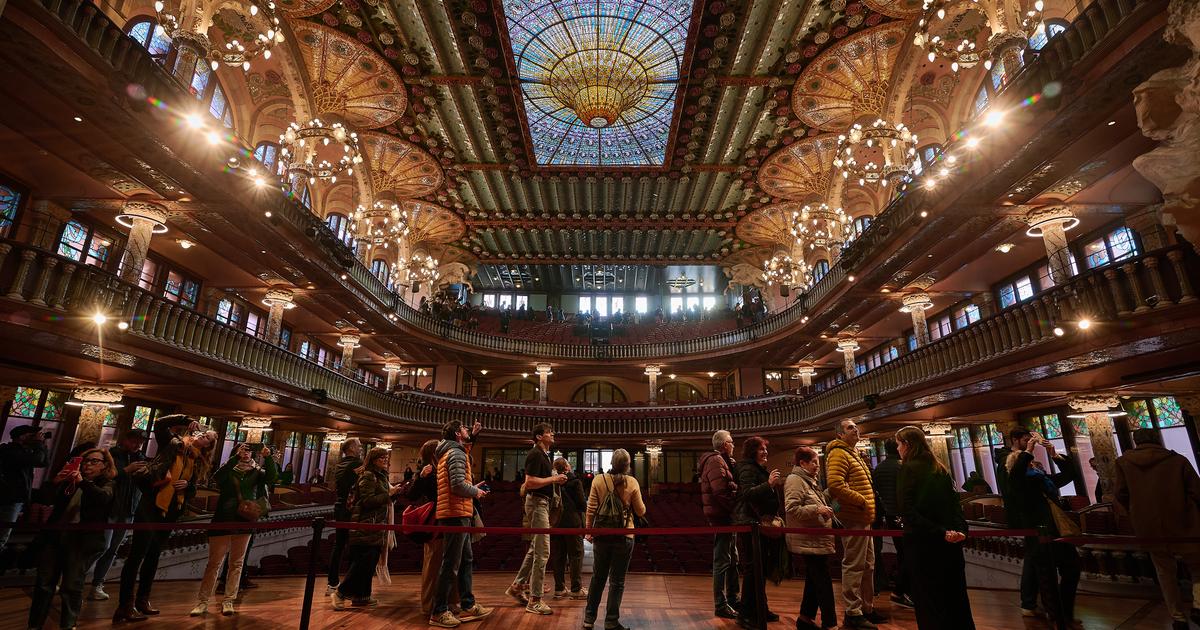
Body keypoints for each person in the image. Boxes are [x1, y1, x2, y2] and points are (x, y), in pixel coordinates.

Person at [115, 415, 216, 623]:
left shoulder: (197, 462)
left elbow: (194, 488)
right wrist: (185, 419)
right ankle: (125, 605)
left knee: (153, 556)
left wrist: (188, 486)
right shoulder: (172, 443)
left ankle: (143, 599)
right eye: (203, 432)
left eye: (208, 437)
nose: (203, 435)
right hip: (152, 502)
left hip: (172, 509)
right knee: (137, 555)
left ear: (208, 446)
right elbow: (159, 423)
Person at [1114, 428, 1200, 630]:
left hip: (1149, 525)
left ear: (1136, 441)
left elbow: (1120, 493)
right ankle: (1198, 605)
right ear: (1157, 439)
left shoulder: (1124, 463)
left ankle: (1177, 617)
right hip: (1184, 521)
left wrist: (1136, 512)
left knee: (1165, 573)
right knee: (1197, 567)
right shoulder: (1177, 460)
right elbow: (1196, 490)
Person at [894, 426, 974, 630]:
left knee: (929, 601)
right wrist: (959, 530)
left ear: (907, 445)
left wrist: (940, 531)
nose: (897, 449)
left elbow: (907, 509)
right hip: (949, 543)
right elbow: (954, 505)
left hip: (924, 543)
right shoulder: (940, 467)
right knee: (956, 599)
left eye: (898, 444)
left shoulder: (908, 468)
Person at [27, 447, 115, 630]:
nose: (88, 464)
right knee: (44, 584)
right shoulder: (69, 482)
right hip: (55, 537)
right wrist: (55, 482)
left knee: (71, 586)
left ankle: (68, 625)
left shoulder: (106, 483)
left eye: (94, 461)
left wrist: (83, 483)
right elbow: (44, 501)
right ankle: (34, 626)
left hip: (81, 541)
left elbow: (103, 499)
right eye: (85, 461)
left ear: (104, 465)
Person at [1004, 428, 1081, 627]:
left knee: (1072, 569)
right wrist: (1027, 451)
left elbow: (1070, 474)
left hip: (1057, 531)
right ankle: (1057, 617)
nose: (1034, 464)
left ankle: (1065, 613)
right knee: (1046, 577)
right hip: (1039, 532)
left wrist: (1054, 454)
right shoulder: (1020, 482)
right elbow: (1017, 475)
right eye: (1029, 462)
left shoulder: (1043, 480)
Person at [191, 442, 277, 616]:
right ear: (236, 453)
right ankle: (202, 601)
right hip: (223, 518)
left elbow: (272, 477)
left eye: (249, 451)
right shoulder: (229, 469)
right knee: (214, 563)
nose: (246, 453)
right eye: (242, 450)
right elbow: (217, 477)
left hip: (244, 520)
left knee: (236, 563)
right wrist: (235, 458)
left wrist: (268, 458)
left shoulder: (257, 472)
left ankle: (229, 600)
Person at [430, 420, 493, 628]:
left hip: (458, 510)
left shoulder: (451, 451)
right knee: (451, 564)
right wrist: (476, 492)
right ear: (458, 433)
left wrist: (471, 488)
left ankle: (468, 603)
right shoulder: (455, 453)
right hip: (455, 514)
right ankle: (439, 611)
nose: (467, 431)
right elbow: (457, 485)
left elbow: (455, 483)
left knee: (466, 560)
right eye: (465, 429)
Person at [826, 419, 888, 629]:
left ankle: (866, 608)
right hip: (853, 516)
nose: (855, 429)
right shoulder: (838, 453)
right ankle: (853, 612)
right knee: (854, 564)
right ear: (840, 435)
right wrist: (860, 500)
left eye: (856, 426)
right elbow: (835, 485)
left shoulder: (853, 453)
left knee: (868, 565)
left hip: (863, 517)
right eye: (849, 428)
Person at [507, 423, 566, 615]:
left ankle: (517, 586)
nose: (553, 434)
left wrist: (554, 478)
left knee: (535, 549)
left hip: (542, 503)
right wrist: (553, 480)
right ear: (540, 437)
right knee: (543, 551)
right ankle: (535, 599)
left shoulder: (544, 455)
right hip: (538, 502)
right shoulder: (535, 454)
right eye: (549, 432)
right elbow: (530, 482)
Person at [583, 448, 646, 630]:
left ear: (611, 463)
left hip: (602, 535)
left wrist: (589, 531)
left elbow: (591, 509)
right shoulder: (632, 482)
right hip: (623, 536)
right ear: (628, 466)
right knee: (617, 581)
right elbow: (641, 511)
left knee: (597, 578)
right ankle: (611, 621)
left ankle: (589, 619)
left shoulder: (598, 480)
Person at [332, 446, 400, 609]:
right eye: (382, 458)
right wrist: (388, 495)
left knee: (368, 564)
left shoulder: (381, 476)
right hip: (366, 526)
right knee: (362, 563)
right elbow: (367, 501)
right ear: (374, 460)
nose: (385, 460)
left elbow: (382, 499)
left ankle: (361, 596)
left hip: (375, 526)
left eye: (386, 457)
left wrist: (394, 494)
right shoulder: (368, 476)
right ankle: (340, 593)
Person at [88, 429, 147, 602]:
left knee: (112, 550)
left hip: (128, 509)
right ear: (126, 439)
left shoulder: (141, 458)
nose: (138, 445)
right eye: (135, 441)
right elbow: (105, 477)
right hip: (110, 507)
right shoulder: (111, 456)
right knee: (101, 547)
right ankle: (74, 576)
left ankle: (97, 584)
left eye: (141, 442)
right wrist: (127, 470)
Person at [732, 435, 783, 630]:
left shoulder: (756, 468)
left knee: (759, 570)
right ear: (753, 451)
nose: (765, 452)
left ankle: (761, 609)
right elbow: (746, 494)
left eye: (766, 449)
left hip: (759, 524)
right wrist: (768, 484)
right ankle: (745, 614)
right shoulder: (747, 468)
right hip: (749, 523)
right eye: (762, 449)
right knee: (753, 570)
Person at [784, 446, 837, 630]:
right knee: (823, 581)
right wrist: (818, 509)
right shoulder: (795, 480)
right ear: (802, 463)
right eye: (814, 462)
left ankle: (805, 619)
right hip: (808, 538)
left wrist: (833, 493)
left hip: (815, 537)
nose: (818, 465)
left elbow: (816, 502)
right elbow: (792, 508)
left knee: (814, 580)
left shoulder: (809, 480)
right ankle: (830, 624)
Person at [408, 439, 458, 615]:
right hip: (435, 521)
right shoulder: (426, 470)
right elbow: (412, 495)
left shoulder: (446, 466)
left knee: (451, 564)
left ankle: (451, 602)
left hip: (449, 517)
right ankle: (429, 605)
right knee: (432, 565)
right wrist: (421, 476)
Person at [699, 429, 740, 619]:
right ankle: (721, 603)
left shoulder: (724, 461)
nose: (733, 445)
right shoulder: (716, 461)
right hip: (722, 515)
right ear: (725, 444)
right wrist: (736, 507)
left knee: (732, 558)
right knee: (722, 561)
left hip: (726, 515)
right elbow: (720, 491)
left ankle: (733, 598)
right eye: (731, 442)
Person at [871, 438, 912, 610]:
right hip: (903, 516)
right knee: (908, 554)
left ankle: (902, 590)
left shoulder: (879, 468)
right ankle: (900, 591)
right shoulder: (902, 467)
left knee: (902, 552)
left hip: (887, 515)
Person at [0, 424, 50, 554]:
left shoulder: (25, 451)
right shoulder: (10, 451)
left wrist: (42, 444)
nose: (35, 437)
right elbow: (37, 460)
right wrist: (39, 444)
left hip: (15, 498)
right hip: (8, 497)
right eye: (31, 435)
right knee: (2, 533)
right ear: (21, 436)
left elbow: (44, 463)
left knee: (4, 532)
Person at [327, 437, 363, 595]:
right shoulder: (356, 464)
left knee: (339, 545)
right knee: (355, 546)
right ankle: (350, 584)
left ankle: (332, 583)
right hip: (351, 509)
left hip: (339, 507)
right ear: (351, 448)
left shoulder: (340, 464)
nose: (361, 448)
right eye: (359, 446)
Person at [550, 456, 587, 599]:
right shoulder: (575, 482)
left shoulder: (552, 483)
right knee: (576, 555)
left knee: (559, 556)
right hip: (572, 523)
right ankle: (576, 589)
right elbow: (582, 505)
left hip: (557, 523)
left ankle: (559, 589)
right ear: (566, 467)